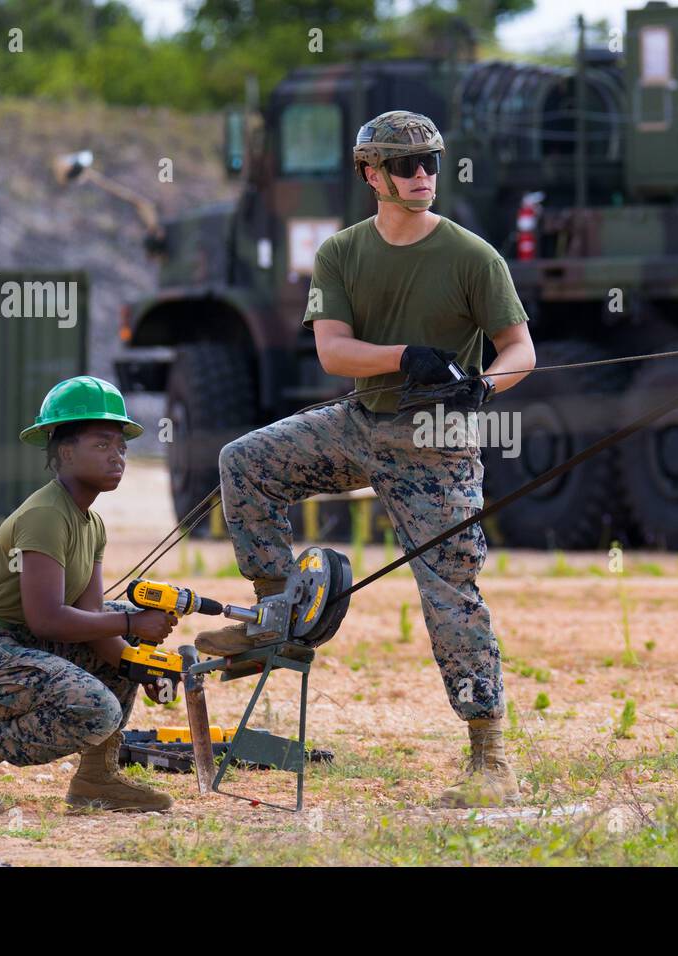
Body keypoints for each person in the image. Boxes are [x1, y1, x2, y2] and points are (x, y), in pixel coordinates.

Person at [196, 110, 537, 808]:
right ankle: (275, 610)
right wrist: (403, 357)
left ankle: (489, 757)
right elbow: (333, 351)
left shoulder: (473, 256)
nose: (421, 177)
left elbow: (521, 349)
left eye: (431, 164)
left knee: (450, 592)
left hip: (436, 446)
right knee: (245, 462)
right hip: (361, 421)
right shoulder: (342, 252)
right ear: (370, 174)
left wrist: (485, 385)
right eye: (405, 165)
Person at [0, 376, 176, 817]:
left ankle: (97, 778)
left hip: (13, 648)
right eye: (102, 444)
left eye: (122, 446)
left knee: (116, 619)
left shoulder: (91, 525)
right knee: (94, 702)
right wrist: (132, 627)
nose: (117, 456)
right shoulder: (44, 514)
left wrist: (140, 665)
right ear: (64, 452)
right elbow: (48, 620)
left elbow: (91, 620)